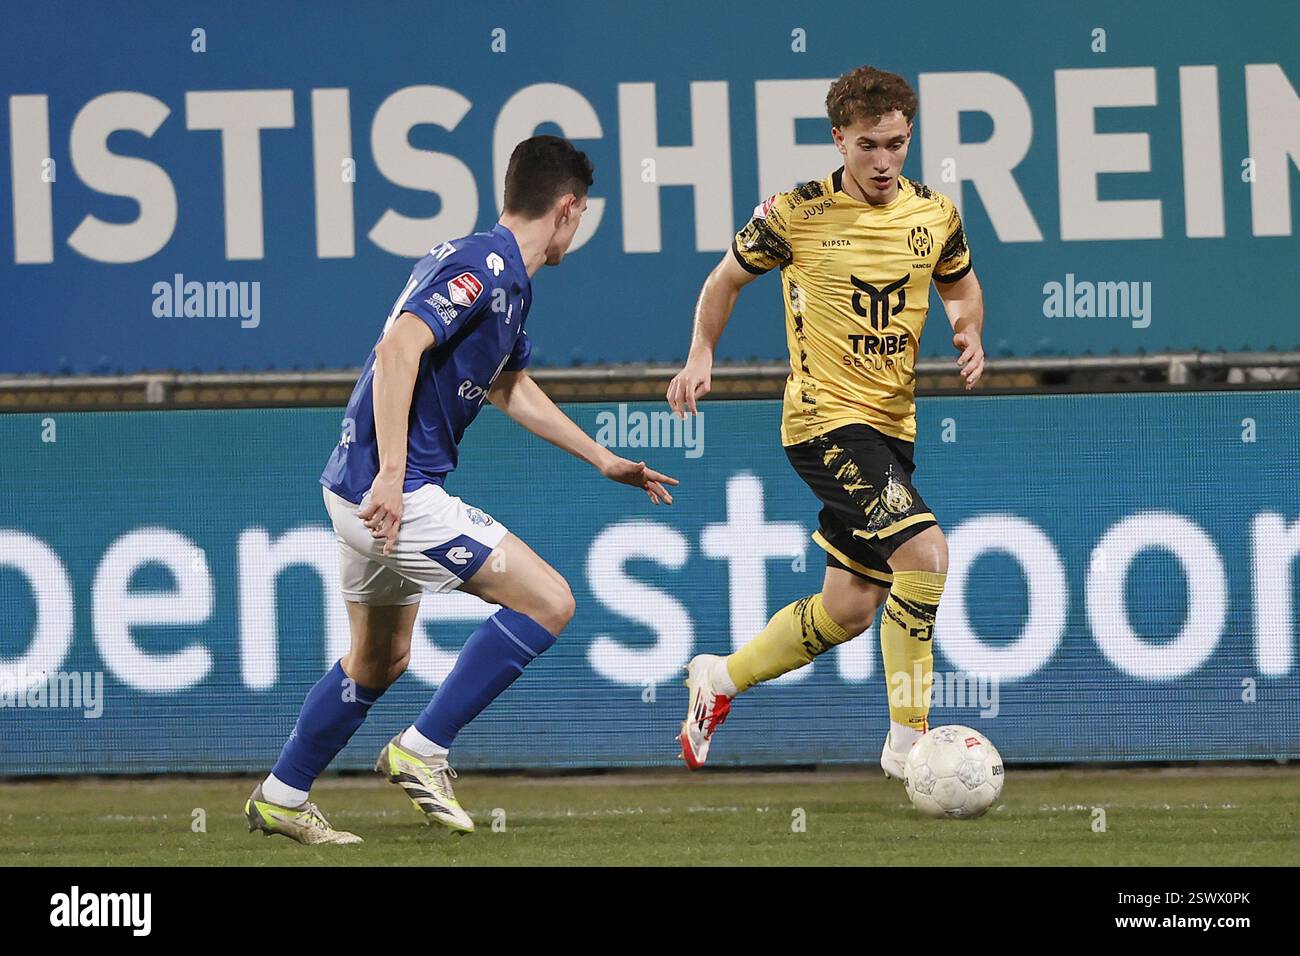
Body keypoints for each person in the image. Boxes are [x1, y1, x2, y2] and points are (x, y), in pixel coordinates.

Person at [246, 135, 677, 844]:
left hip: (359, 489)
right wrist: (391, 474)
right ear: (568, 209)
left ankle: (282, 793)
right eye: (585, 211)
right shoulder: (485, 265)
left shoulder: (504, 281)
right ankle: (424, 748)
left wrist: (602, 459)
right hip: (395, 492)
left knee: (379, 659)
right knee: (549, 602)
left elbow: (510, 387)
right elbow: (397, 350)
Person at [666, 66, 985, 780]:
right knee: (926, 557)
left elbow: (961, 286)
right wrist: (700, 353)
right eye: (868, 145)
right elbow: (724, 279)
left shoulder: (935, 214)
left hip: (894, 428)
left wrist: (969, 330)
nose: (883, 161)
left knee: (849, 608)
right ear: (838, 138)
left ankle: (718, 680)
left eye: (897, 145)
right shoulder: (793, 214)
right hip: (823, 422)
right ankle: (911, 748)